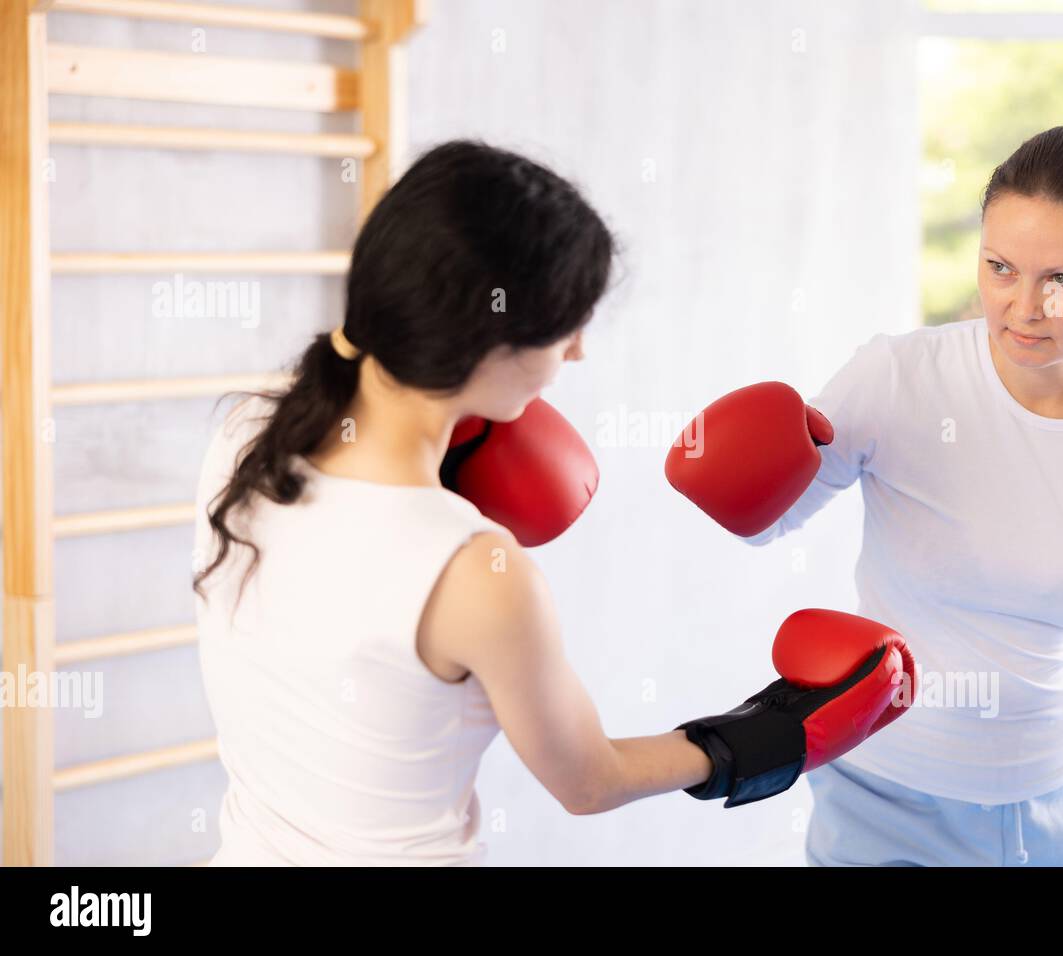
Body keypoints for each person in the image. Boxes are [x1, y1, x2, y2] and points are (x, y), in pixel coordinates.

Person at [192, 140, 910, 866]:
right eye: (567, 325)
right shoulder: (474, 571)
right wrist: (773, 732)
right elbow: (589, 781)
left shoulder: (247, 432)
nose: (576, 354)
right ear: (491, 338)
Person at [699, 125, 1063, 866]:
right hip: (886, 795)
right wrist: (739, 468)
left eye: (1062, 280)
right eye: (1000, 268)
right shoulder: (898, 377)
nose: (1022, 308)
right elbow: (769, 523)